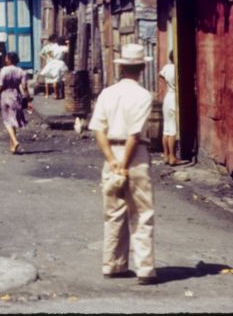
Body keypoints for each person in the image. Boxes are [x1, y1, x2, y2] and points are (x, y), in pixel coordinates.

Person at [89, 43, 157, 284]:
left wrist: (113, 162)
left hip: (111, 153)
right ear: (141, 68)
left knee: (114, 212)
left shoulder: (107, 93)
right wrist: (125, 164)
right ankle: (145, 269)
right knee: (141, 212)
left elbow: (98, 129)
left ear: (122, 69)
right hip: (135, 156)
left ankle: (113, 265)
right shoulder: (143, 96)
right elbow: (134, 134)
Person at [0, 51, 32, 154]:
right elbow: (25, 87)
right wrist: (29, 99)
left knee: (7, 121)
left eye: (6, 57)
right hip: (16, 96)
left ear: (9, 59)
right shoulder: (22, 71)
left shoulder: (4, 70)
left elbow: (0, 86)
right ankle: (12, 146)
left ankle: (15, 141)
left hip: (5, 95)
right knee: (13, 119)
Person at [159, 50, 187, 166]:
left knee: (166, 129)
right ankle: (172, 157)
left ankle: (166, 155)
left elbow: (160, 76)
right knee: (173, 130)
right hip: (175, 98)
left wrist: (165, 85)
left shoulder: (167, 67)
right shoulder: (178, 68)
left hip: (167, 98)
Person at [39, 35, 68, 99]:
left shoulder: (47, 47)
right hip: (56, 63)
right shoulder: (57, 46)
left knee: (47, 79)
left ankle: (47, 94)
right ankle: (56, 94)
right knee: (56, 78)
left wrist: (45, 58)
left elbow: (40, 53)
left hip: (49, 63)